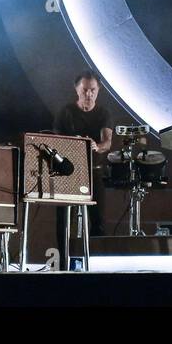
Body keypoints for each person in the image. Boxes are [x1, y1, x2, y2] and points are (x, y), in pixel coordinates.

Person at [54, 70, 112, 239]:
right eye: (85, 89)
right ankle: (64, 260)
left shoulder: (103, 113)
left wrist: (96, 146)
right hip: (67, 173)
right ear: (76, 89)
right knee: (64, 220)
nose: (89, 94)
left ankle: (94, 260)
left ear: (98, 90)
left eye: (92, 90)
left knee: (98, 220)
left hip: (93, 170)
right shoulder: (65, 112)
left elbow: (107, 142)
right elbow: (55, 140)